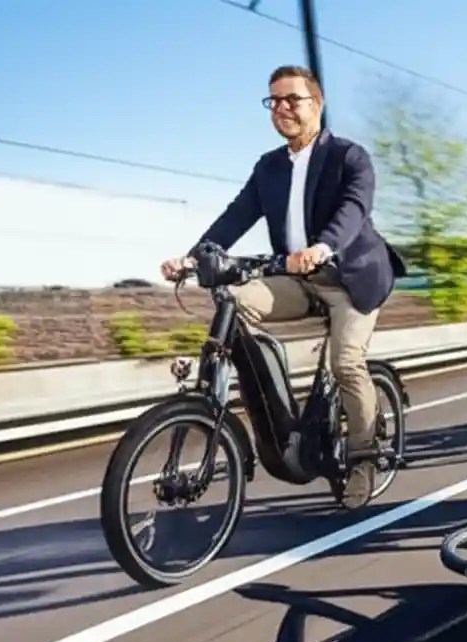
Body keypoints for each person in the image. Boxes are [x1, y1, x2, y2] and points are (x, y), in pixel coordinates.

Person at [159, 64, 407, 509]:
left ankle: (364, 459)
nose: (282, 108)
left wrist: (323, 247)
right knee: (232, 302)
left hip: (352, 279)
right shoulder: (269, 168)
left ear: (318, 104)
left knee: (347, 364)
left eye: (292, 99)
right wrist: (193, 258)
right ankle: (276, 412)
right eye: (273, 101)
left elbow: (352, 210)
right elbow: (234, 219)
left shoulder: (349, 157)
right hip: (298, 278)